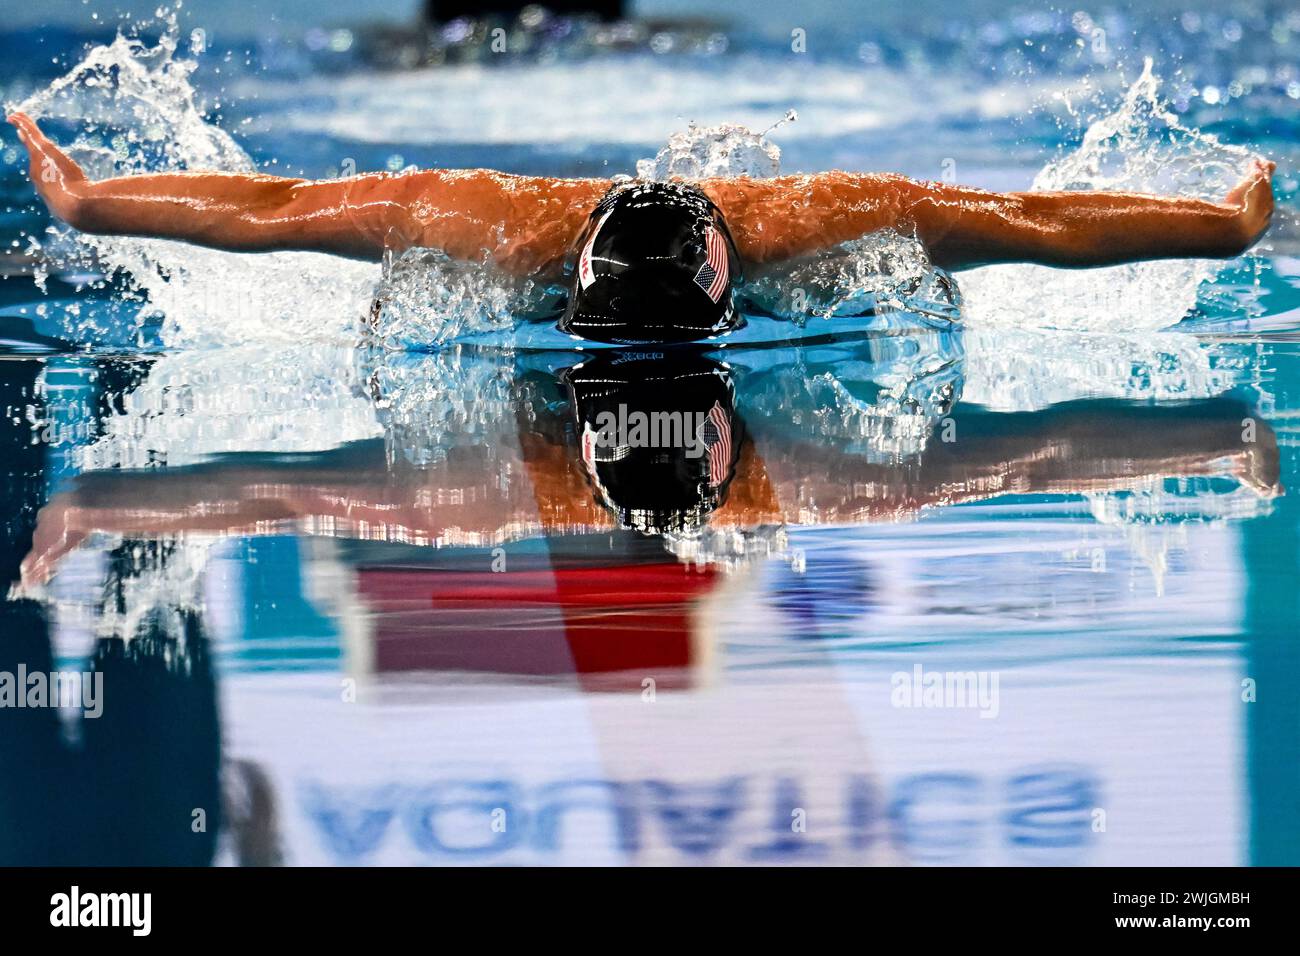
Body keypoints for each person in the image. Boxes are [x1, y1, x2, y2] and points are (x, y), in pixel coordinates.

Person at [8, 111, 1276, 344]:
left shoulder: (810, 226)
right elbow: (274, 213)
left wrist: (1216, 231)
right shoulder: (480, 228)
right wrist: (85, 201)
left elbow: (1034, 220)